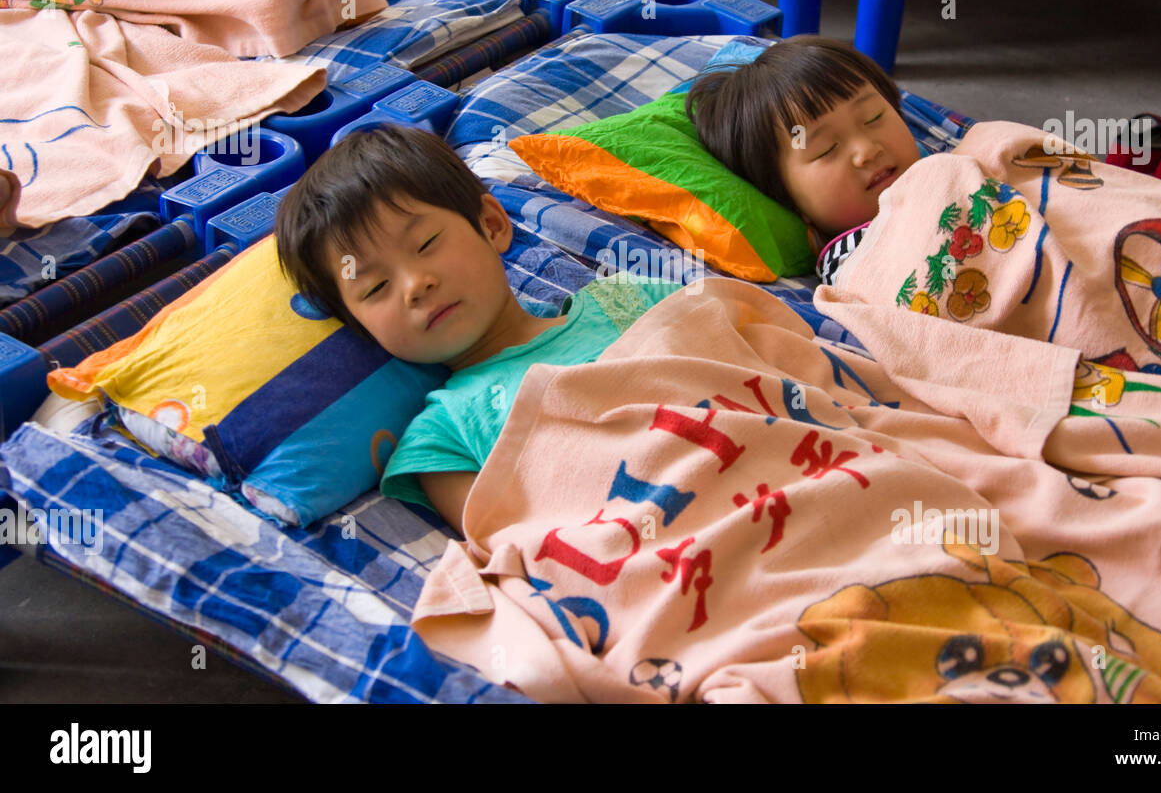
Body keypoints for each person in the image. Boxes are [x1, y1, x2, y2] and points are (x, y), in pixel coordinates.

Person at [274, 125, 681, 535]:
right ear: (361, 328)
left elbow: (742, 344)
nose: (416, 285)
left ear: (492, 225)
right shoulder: (442, 439)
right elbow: (520, 548)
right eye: (376, 287)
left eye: (426, 243)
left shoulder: (631, 300)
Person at [684, 35, 1081, 283]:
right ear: (786, 199)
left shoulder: (963, 161)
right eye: (825, 150)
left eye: (874, 117)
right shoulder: (853, 259)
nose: (866, 150)